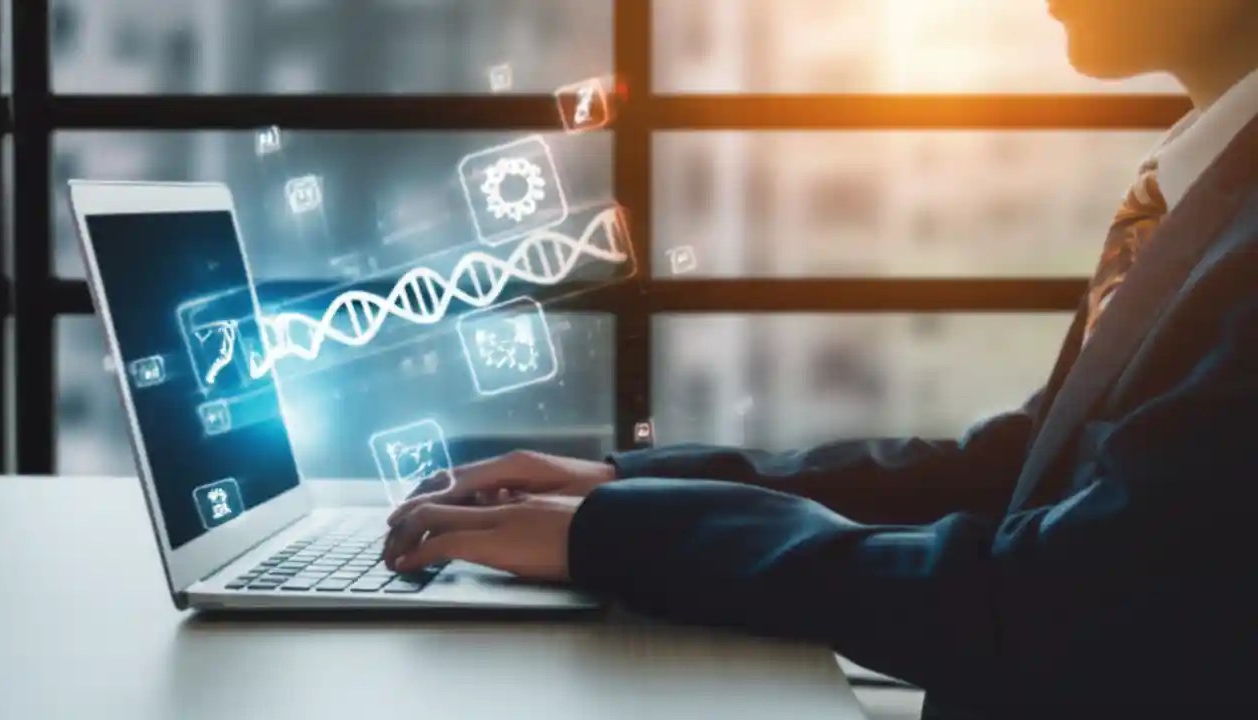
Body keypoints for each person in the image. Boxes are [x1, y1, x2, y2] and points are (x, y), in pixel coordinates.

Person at [385, 1, 1258, 715]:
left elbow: (1038, 597)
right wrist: (621, 486)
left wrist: (617, 535)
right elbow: (1019, 472)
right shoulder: (1209, 187)